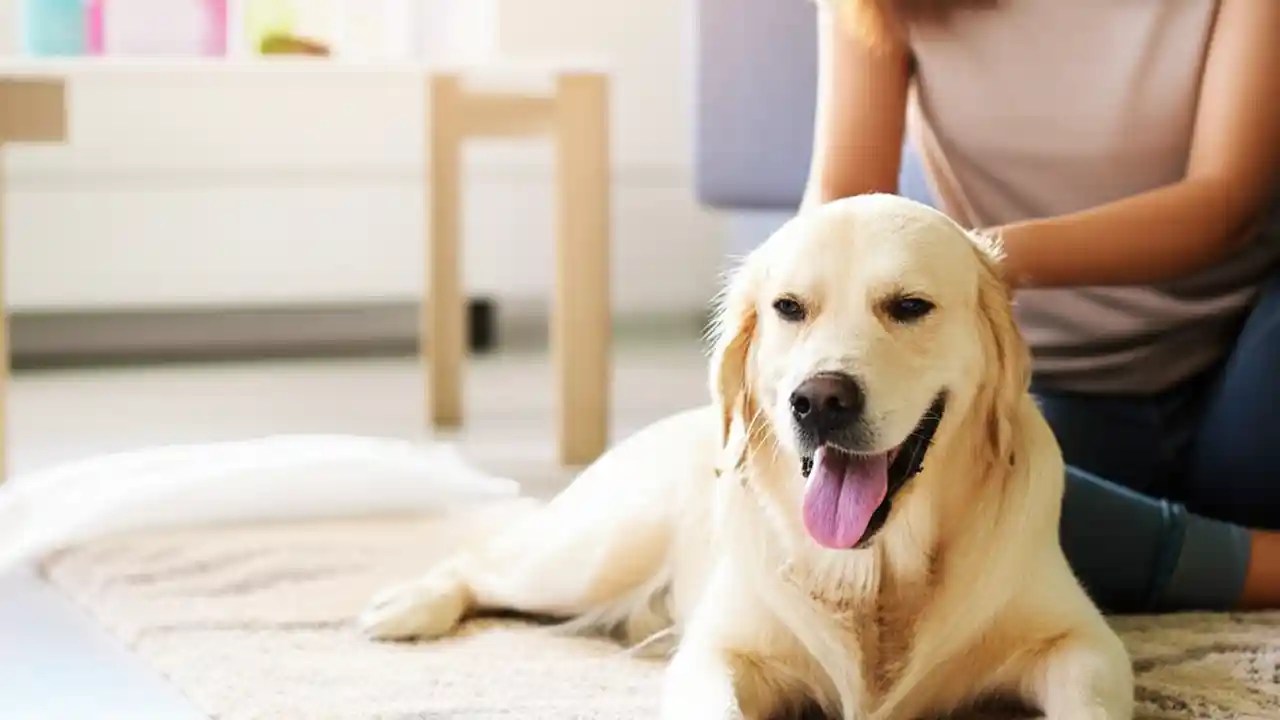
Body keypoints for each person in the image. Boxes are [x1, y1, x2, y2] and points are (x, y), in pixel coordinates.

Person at [802, 0, 1280, 612]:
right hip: (1048, 385)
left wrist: (978, 261)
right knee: (942, 518)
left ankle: (1171, 556)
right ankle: (1241, 565)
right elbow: (843, 206)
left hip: (1247, 365)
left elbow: (1224, 204)